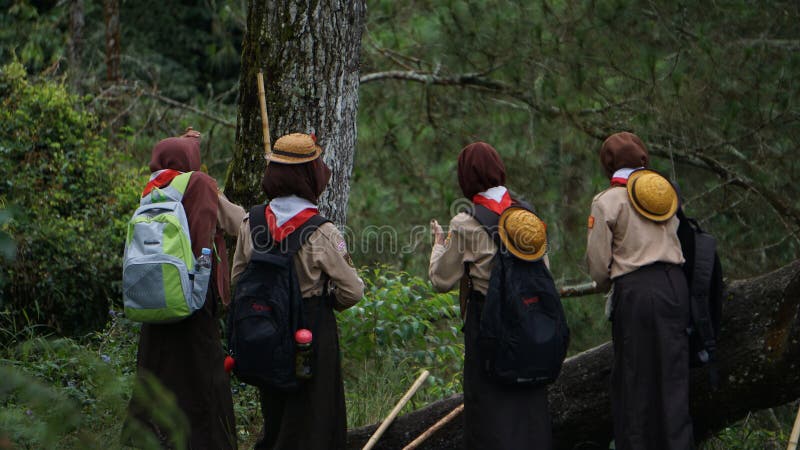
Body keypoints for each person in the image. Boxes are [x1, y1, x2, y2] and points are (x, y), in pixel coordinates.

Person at [231, 132, 364, 450]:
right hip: (311, 329)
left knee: (275, 408)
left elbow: (238, 277)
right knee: (313, 414)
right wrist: (328, 300)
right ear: (310, 175)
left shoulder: (252, 221)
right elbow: (352, 291)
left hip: (266, 327)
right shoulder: (322, 230)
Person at [428, 141, 553, 450]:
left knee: (489, 407)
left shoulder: (465, 222)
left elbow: (441, 279)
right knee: (529, 404)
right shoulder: (527, 215)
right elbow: (545, 270)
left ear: (465, 178)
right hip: (530, 319)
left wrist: (439, 244)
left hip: (488, 323)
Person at [125, 128, 239, 449]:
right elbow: (214, 230)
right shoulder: (200, 184)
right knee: (201, 378)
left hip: (155, 296)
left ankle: (150, 438)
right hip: (192, 298)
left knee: (158, 370)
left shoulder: (151, 188)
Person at [585, 132, 694, 449]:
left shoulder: (607, 201)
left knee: (635, 382)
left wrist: (606, 283)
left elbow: (598, 265)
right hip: (675, 285)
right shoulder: (666, 194)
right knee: (674, 380)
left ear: (608, 166)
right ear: (643, 158)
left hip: (636, 293)